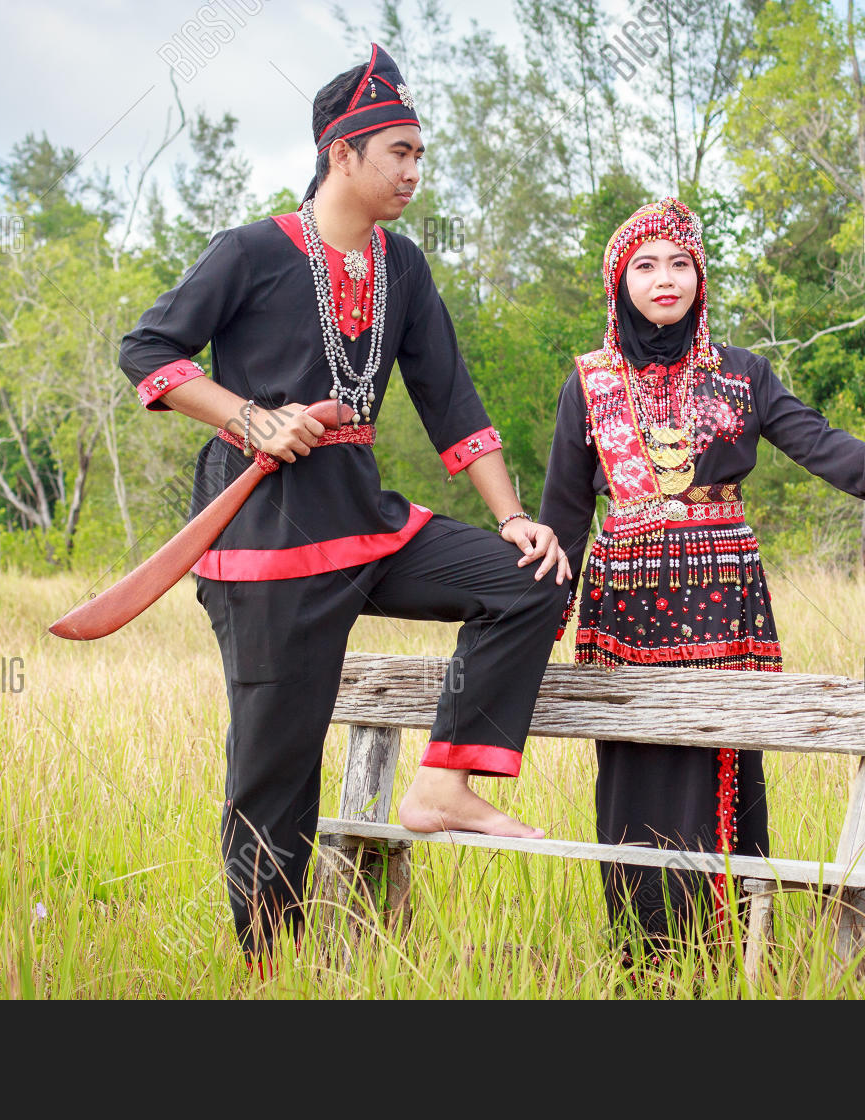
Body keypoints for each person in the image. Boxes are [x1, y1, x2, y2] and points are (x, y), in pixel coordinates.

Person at [118, 44, 572, 971]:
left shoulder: (404, 266)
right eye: (399, 152)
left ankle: (445, 785)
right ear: (343, 153)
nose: (413, 171)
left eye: (420, 155)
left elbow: (451, 402)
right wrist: (249, 417)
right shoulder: (250, 251)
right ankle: (270, 973)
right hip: (265, 545)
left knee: (526, 580)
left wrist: (513, 517)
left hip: (365, 523)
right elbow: (148, 351)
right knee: (276, 771)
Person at [537, 197, 865, 960]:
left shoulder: (742, 374)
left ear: (700, 278)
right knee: (634, 766)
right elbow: (563, 513)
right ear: (619, 284)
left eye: (680, 264)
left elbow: (818, 442)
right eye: (645, 266)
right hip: (626, 607)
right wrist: (532, 618)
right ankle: (646, 959)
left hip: (722, 598)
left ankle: (728, 955)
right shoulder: (589, 382)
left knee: (722, 756)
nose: (664, 279)